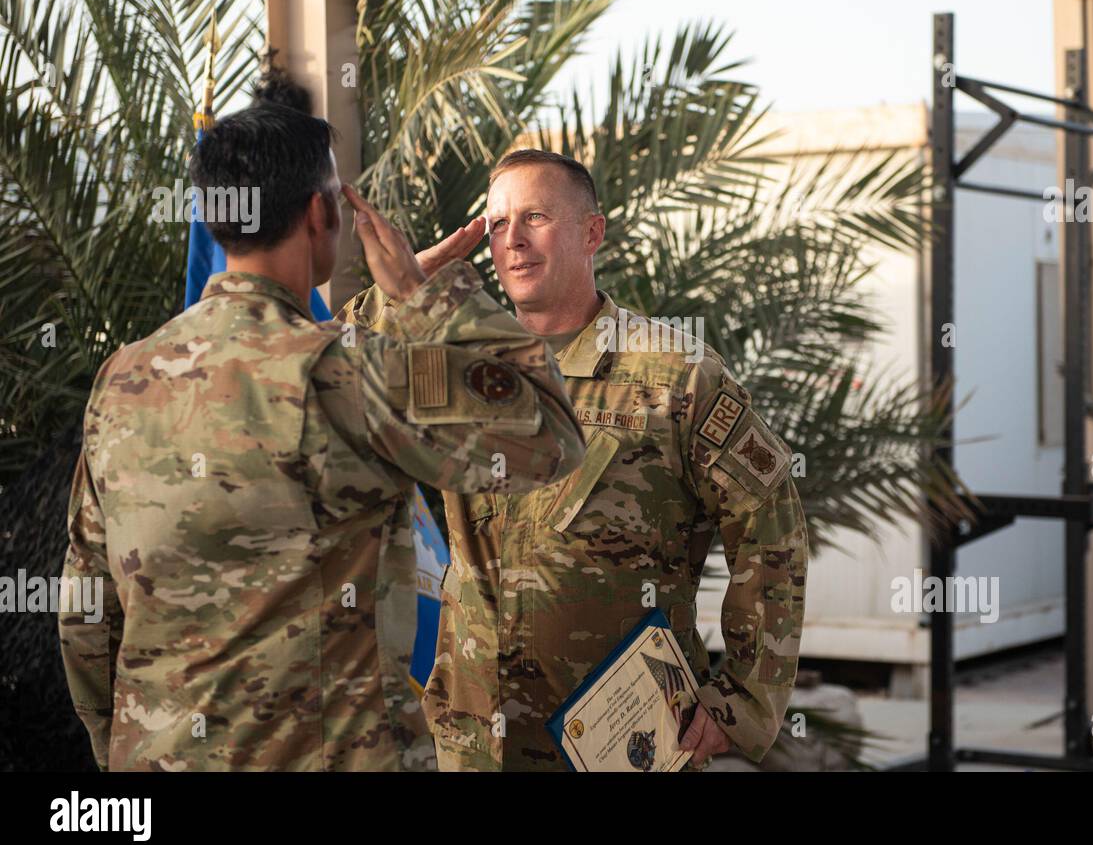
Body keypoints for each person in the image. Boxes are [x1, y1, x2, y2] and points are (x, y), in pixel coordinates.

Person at [57, 105, 585, 771]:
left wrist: (120, 748)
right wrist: (428, 302)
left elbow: (85, 610)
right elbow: (552, 433)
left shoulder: (121, 380)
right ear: (321, 214)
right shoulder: (349, 375)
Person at [339, 149, 808, 771]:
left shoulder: (674, 375)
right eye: (499, 223)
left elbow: (770, 527)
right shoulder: (461, 363)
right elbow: (331, 378)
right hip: (472, 740)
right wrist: (396, 297)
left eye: (535, 217)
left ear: (592, 232)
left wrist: (743, 700)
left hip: (621, 743)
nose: (514, 241)